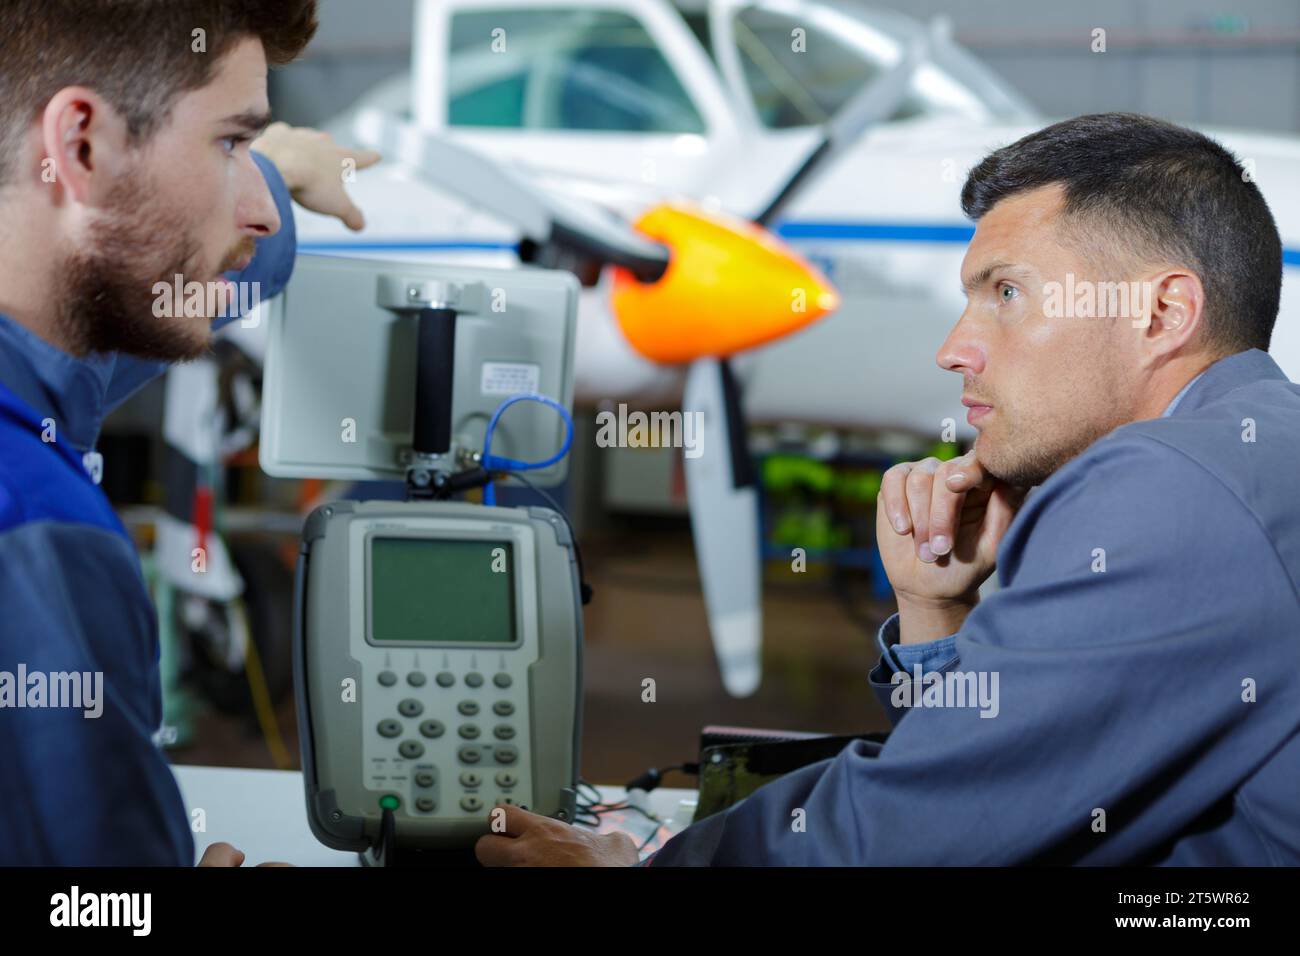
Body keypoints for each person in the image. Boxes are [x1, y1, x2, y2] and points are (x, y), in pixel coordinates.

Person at [476, 113, 1300, 866]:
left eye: (1006, 293)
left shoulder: (1171, 486)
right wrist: (936, 613)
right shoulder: (1252, 454)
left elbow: (910, 839)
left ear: (1160, 313)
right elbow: (991, 783)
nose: (954, 349)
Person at [0, 0, 377, 865]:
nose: (265, 216)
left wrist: (275, 163)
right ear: (82, 146)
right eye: (229, 143)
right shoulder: (38, 537)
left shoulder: (44, 377)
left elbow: (173, 289)